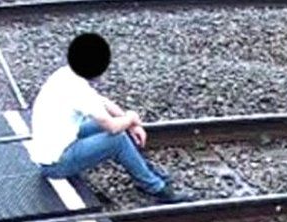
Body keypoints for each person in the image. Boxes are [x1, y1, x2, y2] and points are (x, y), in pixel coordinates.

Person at [27, 33, 192, 203]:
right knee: (117, 140)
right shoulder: (77, 90)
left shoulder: (66, 75)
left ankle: (145, 171)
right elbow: (112, 127)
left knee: (116, 126)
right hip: (55, 165)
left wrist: (131, 122)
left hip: (58, 146)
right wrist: (131, 117)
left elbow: (101, 101)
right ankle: (155, 187)